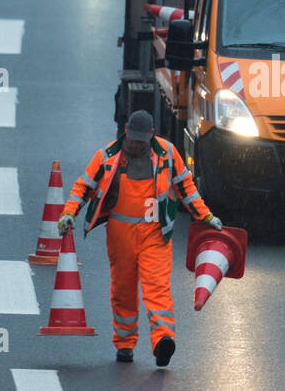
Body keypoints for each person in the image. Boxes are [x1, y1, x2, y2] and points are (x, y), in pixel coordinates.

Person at [59, 110, 221, 367]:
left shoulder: (167, 154)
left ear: (151, 136)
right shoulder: (107, 157)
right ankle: (124, 344)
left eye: (141, 141)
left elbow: (186, 187)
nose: (136, 144)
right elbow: (83, 186)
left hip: (154, 234)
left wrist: (206, 215)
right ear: (125, 130)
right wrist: (68, 213)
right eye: (132, 139)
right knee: (122, 291)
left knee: (157, 288)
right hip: (120, 237)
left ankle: (163, 341)